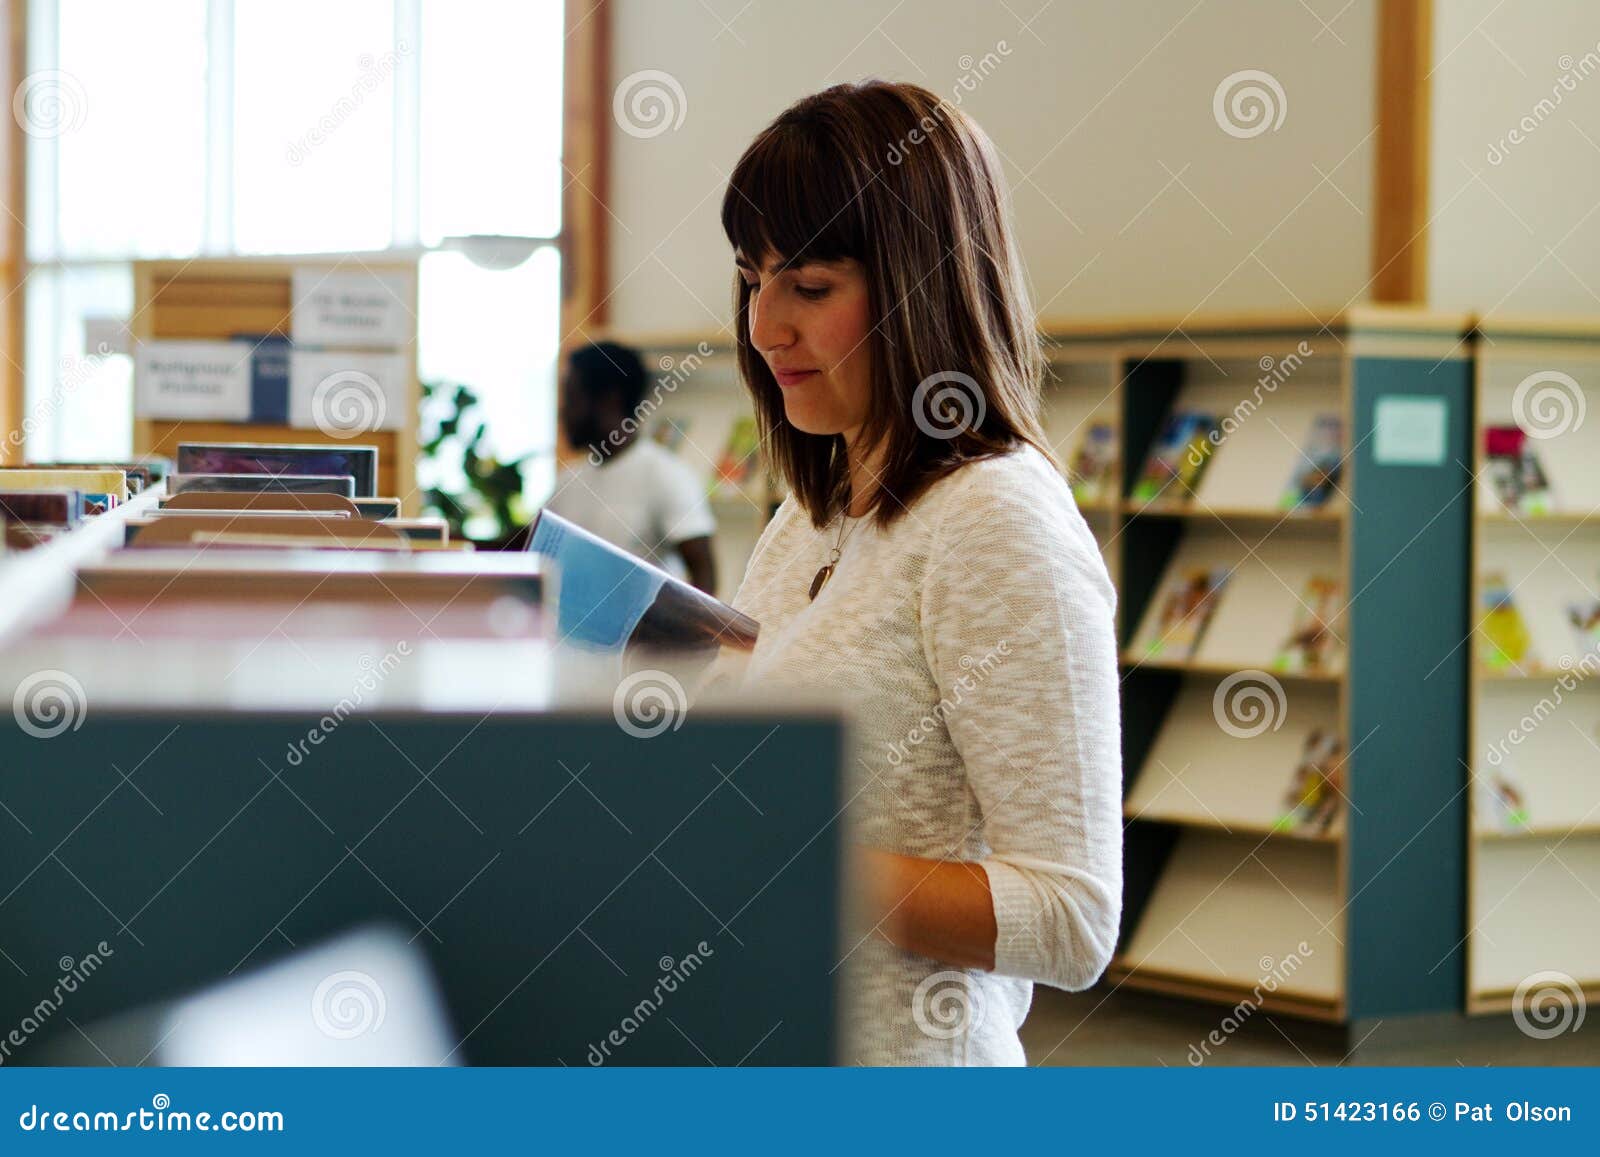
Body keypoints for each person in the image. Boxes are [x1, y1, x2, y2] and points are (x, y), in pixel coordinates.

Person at [705, 81, 1122, 1065]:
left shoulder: (995, 519)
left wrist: (777, 861)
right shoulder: (807, 520)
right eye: (749, 277)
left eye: (809, 286)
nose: (765, 326)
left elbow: (1071, 916)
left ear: (917, 284)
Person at [543, 341, 718, 593]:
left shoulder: (666, 475)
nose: (562, 411)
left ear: (609, 399)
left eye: (572, 397)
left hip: (643, 633)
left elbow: (705, 577)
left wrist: (674, 633)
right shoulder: (566, 481)